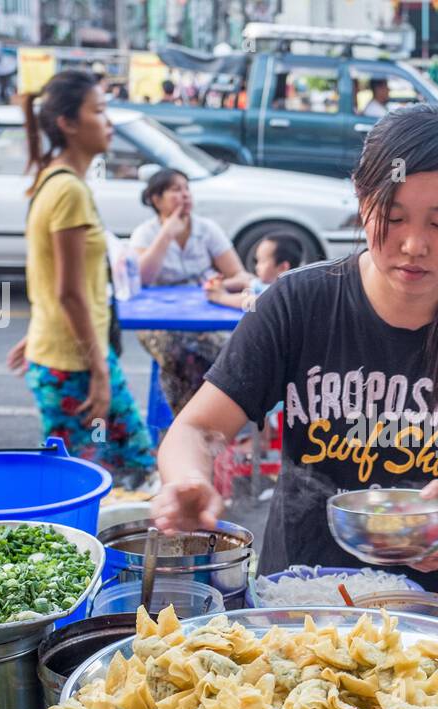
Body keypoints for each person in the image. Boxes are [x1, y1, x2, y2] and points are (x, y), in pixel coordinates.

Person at [151, 104, 438, 601]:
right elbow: (195, 429)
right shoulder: (297, 304)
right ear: (363, 202)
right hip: (302, 601)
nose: (414, 244)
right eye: (393, 217)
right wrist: (190, 480)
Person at [15, 70, 155, 486]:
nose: (108, 122)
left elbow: (49, 279)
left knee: (106, 475)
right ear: (68, 124)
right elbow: (69, 292)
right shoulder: (68, 190)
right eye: (99, 111)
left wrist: (41, 331)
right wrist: (98, 370)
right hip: (74, 364)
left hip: (66, 351)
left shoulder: (56, 180)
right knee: (111, 475)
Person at [130, 167, 250, 415]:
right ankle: (187, 422)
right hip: (159, 321)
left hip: (204, 319)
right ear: (156, 199)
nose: (185, 195)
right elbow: (142, 278)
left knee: (230, 354)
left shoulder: (207, 230)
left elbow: (241, 276)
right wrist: (167, 234)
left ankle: (223, 424)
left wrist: (218, 286)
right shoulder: (146, 233)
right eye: (176, 190)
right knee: (178, 355)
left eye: (187, 189)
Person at [205, 232, 303, 310]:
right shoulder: (265, 284)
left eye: (262, 261)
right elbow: (245, 283)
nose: (257, 267)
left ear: (282, 268)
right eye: (257, 261)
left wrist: (220, 297)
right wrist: (220, 285)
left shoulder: (285, 291)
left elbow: (253, 303)